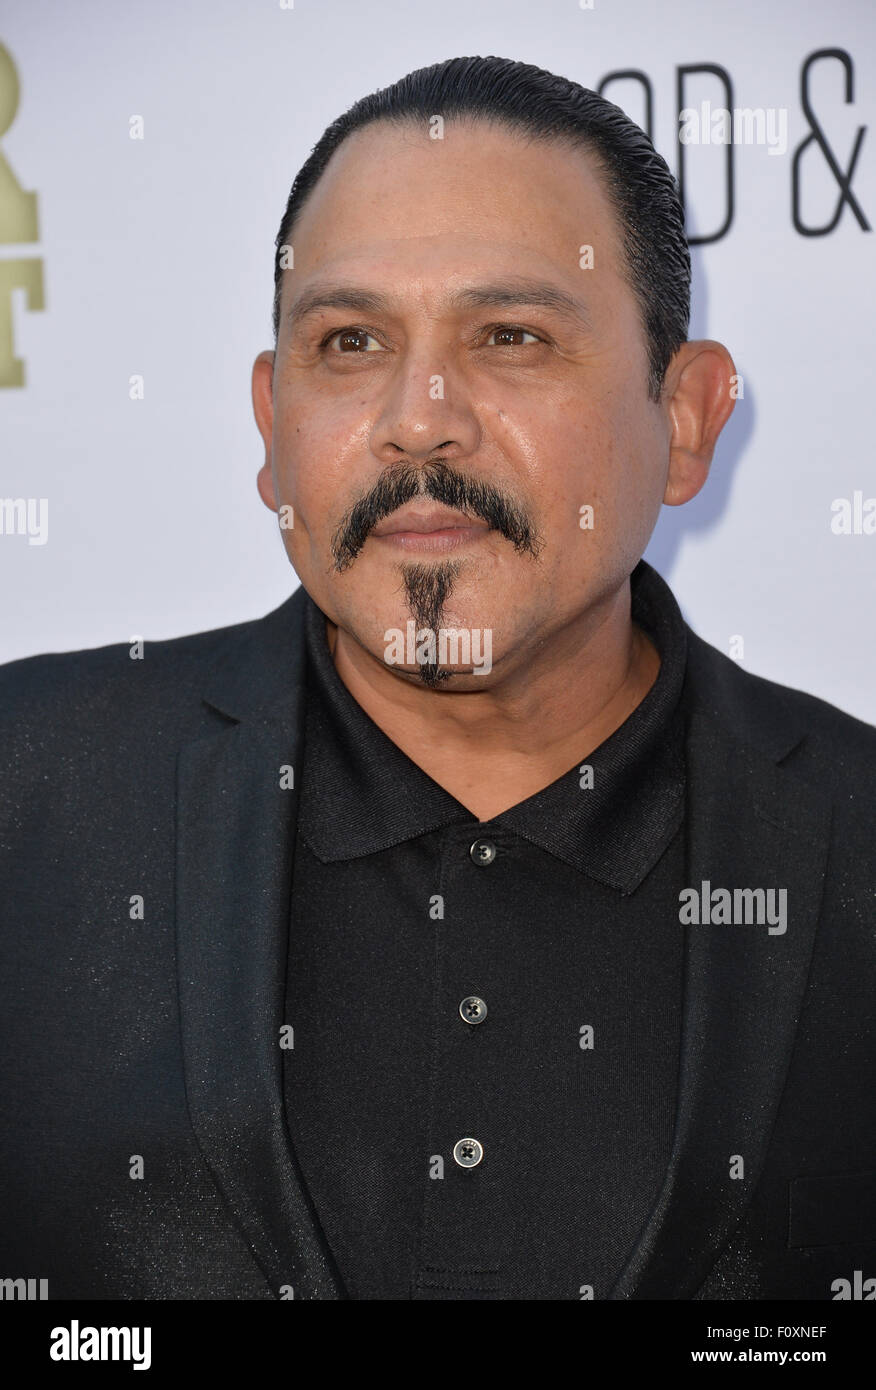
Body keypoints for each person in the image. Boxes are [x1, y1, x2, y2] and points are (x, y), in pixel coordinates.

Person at [1, 56, 874, 1302]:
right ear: (270, 425)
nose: (420, 418)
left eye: (509, 336)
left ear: (685, 420)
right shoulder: (25, 791)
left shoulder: (856, 833)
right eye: (350, 342)